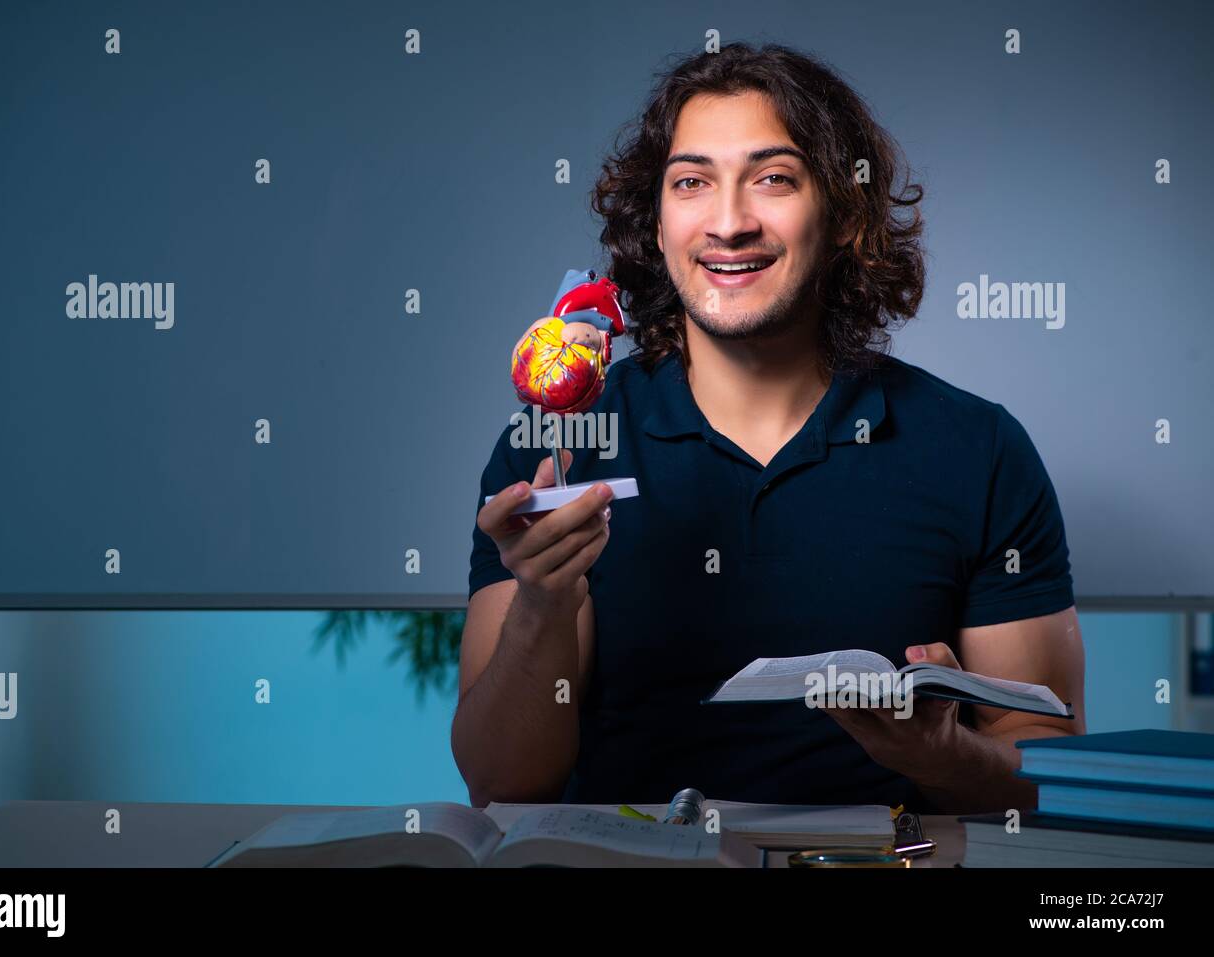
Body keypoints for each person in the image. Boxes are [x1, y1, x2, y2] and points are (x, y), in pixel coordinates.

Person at [451, 42, 1085, 814]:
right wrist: (544, 601)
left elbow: (1053, 771)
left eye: (774, 179)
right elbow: (501, 782)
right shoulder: (553, 451)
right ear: (656, 225)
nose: (728, 222)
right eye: (691, 183)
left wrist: (943, 754)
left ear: (842, 215)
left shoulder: (979, 451)